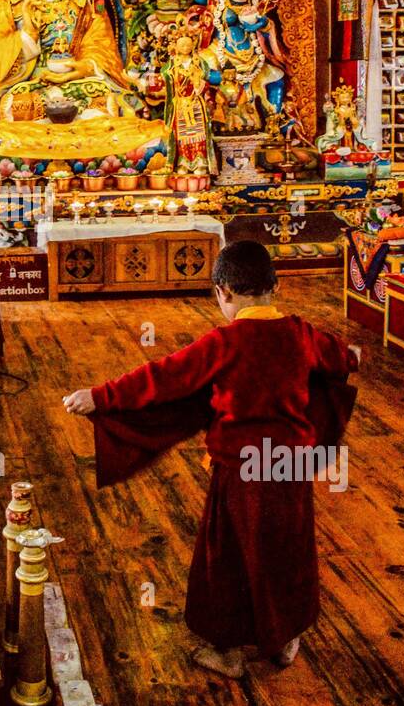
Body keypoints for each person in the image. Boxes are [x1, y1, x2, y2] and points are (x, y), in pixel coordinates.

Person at [63, 240, 359, 680]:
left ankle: (228, 652)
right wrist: (351, 357)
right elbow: (342, 358)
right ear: (274, 287)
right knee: (287, 551)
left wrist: (99, 396)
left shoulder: (223, 342)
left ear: (223, 292)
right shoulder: (300, 333)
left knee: (228, 560)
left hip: (242, 473)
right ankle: (283, 640)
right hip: (291, 468)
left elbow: (161, 378)